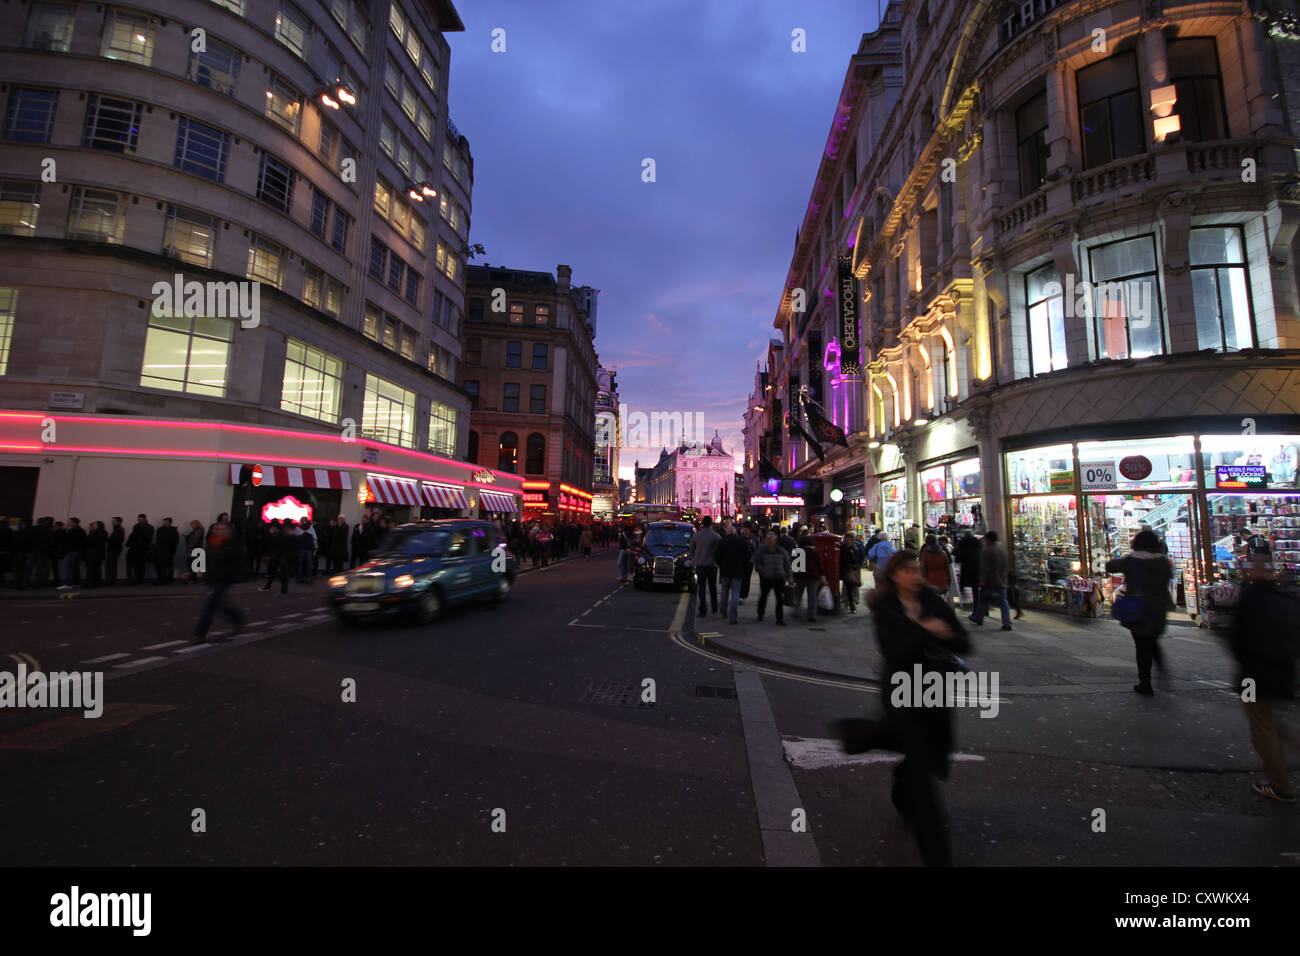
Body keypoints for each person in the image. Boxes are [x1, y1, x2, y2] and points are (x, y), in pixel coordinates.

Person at [849, 550, 971, 866]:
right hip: (901, 694)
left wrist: (944, 632)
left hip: (934, 693)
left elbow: (963, 642)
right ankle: (937, 856)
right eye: (907, 571)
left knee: (928, 757)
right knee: (923, 778)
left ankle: (865, 738)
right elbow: (894, 649)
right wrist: (927, 631)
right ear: (894, 576)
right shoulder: (886, 606)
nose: (915, 576)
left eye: (917, 570)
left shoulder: (932, 601)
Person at [1230, 556, 1299, 802]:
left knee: (1260, 725)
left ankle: (1280, 785)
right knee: (1273, 721)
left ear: (1254, 572)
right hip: (1283, 673)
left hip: (1252, 676)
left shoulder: (1250, 598)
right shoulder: (1287, 598)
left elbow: (1236, 639)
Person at [1105, 529, 1174, 695]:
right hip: (1159, 607)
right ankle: (1161, 669)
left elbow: (1110, 566)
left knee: (1142, 645)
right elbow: (1166, 583)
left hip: (1139, 606)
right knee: (1152, 640)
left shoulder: (1132, 560)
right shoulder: (1164, 562)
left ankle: (1145, 682)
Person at [194, 520, 245, 643]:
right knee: (221, 604)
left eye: (221, 529)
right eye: (216, 529)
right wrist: (193, 573)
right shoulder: (211, 543)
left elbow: (239, 562)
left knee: (210, 605)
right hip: (213, 577)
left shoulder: (233, 544)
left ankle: (200, 634)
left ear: (227, 531)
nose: (218, 531)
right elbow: (204, 559)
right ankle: (236, 618)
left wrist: (237, 575)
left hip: (225, 578)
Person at [969, 530, 1013, 631]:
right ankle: (1007, 622)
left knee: (983, 599)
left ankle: (978, 617)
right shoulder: (1003, 550)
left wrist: (982, 579)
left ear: (988, 539)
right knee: (1003, 602)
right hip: (1002, 579)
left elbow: (984, 567)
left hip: (990, 580)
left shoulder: (986, 550)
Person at [754, 530, 792, 625]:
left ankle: (780, 618)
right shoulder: (762, 550)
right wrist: (763, 571)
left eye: (770, 539)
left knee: (780, 599)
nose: (769, 541)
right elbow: (757, 563)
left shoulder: (781, 550)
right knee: (763, 597)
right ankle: (760, 614)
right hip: (766, 578)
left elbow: (787, 564)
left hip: (779, 578)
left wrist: (789, 576)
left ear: (775, 540)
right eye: (767, 539)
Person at [716, 524, 750, 625]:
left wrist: (721, 565)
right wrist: (742, 565)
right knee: (736, 594)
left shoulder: (722, 542)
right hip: (737, 571)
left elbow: (716, 556)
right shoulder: (741, 542)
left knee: (724, 593)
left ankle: (723, 612)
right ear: (735, 532)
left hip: (725, 571)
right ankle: (733, 617)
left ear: (727, 532)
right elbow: (747, 556)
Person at [792, 531, 827, 624]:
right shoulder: (815, 552)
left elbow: (794, 566)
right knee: (812, 597)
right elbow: (819, 565)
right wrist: (822, 575)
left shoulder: (797, 551)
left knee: (798, 596)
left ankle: (796, 611)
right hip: (813, 578)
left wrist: (793, 577)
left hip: (800, 577)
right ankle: (812, 615)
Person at [692, 517, 722, 617]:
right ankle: (714, 607)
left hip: (700, 565)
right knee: (713, 587)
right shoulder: (716, 536)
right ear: (711, 524)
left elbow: (691, 549)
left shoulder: (697, 535)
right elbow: (719, 549)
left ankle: (702, 609)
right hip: (712, 565)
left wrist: (694, 558)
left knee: (701, 588)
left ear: (702, 524)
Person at [261, 519, 291, 594]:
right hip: (278, 556)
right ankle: (282, 590)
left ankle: (273, 588)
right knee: (277, 573)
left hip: (278, 556)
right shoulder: (281, 534)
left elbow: (275, 546)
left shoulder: (278, 535)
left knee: (275, 573)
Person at [840, 531, 866, 613]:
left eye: (847, 538)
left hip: (854, 569)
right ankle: (851, 602)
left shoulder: (856, 546)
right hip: (846, 570)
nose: (845, 540)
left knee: (854, 585)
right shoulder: (842, 547)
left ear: (851, 539)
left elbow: (861, 556)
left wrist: (858, 566)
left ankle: (852, 601)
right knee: (848, 587)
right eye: (845, 538)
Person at [955, 531, 981, 609]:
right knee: (976, 589)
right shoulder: (978, 543)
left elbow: (957, 558)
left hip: (966, 568)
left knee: (964, 585)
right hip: (977, 568)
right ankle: (977, 607)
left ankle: (964, 602)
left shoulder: (962, 544)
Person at [125, 514, 153, 585]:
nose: (139, 521)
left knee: (140, 565)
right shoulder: (137, 526)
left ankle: (138, 579)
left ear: (144, 519)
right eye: (139, 520)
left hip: (142, 549)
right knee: (133, 565)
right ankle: (132, 579)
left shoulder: (149, 527)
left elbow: (148, 538)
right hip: (134, 548)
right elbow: (133, 536)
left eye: (141, 520)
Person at [60, 517, 86, 590]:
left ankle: (69, 583)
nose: (68, 523)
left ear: (74, 523)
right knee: (75, 568)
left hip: (71, 551)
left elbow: (67, 540)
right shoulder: (81, 531)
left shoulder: (71, 531)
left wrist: (65, 531)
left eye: (70, 522)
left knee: (69, 568)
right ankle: (75, 583)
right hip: (77, 551)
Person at [153, 517, 179, 585]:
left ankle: (167, 579)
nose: (164, 523)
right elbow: (158, 540)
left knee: (167, 566)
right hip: (161, 550)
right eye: (164, 522)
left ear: (170, 522)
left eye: (166, 522)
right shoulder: (161, 530)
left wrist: (172, 551)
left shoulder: (172, 530)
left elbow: (175, 541)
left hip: (168, 551)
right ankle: (162, 579)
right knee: (161, 566)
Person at [84, 521, 107, 589]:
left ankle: (90, 584)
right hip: (97, 554)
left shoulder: (99, 533)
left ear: (98, 526)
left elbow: (90, 541)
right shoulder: (102, 532)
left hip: (94, 553)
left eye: (94, 525)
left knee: (92, 569)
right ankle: (95, 583)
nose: (92, 526)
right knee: (96, 569)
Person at [105, 516, 124, 586]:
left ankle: (110, 580)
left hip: (114, 549)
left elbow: (116, 540)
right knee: (111, 565)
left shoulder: (118, 530)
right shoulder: (118, 529)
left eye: (113, 521)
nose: (112, 522)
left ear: (118, 522)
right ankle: (110, 580)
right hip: (114, 549)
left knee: (111, 565)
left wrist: (108, 539)